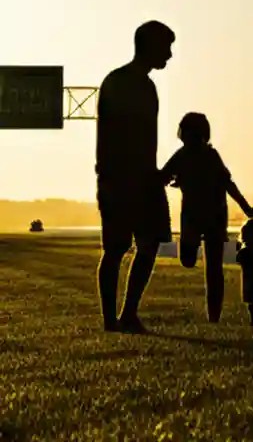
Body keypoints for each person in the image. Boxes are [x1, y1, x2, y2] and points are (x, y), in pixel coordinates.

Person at [95, 20, 175, 334]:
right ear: (149, 46)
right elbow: (116, 138)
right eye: (166, 47)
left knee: (148, 243)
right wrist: (113, 177)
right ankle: (110, 318)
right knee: (115, 248)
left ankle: (128, 313)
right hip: (120, 179)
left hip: (143, 179)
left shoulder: (145, 86)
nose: (169, 55)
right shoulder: (119, 82)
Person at [159, 111, 253, 323]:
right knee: (199, 264)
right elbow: (163, 176)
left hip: (210, 216)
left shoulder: (202, 156)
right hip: (199, 216)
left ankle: (214, 316)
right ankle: (214, 315)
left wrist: (246, 208)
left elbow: (227, 183)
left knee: (212, 268)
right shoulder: (188, 156)